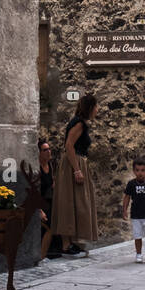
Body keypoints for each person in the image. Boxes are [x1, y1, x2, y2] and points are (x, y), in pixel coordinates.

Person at [52, 94, 99, 256]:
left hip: (77, 162)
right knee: (69, 202)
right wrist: (77, 169)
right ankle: (66, 245)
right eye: (96, 106)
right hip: (73, 163)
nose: (97, 110)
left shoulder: (81, 123)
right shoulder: (79, 123)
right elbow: (69, 146)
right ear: (90, 108)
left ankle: (71, 242)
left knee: (77, 202)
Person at [37, 137, 63, 259]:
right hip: (39, 203)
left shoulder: (50, 165)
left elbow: (51, 182)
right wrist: (39, 210)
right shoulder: (37, 168)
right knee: (48, 228)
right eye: (45, 150)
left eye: (49, 149)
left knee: (53, 226)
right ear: (39, 153)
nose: (48, 152)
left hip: (48, 202)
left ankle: (44, 255)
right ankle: (41, 256)